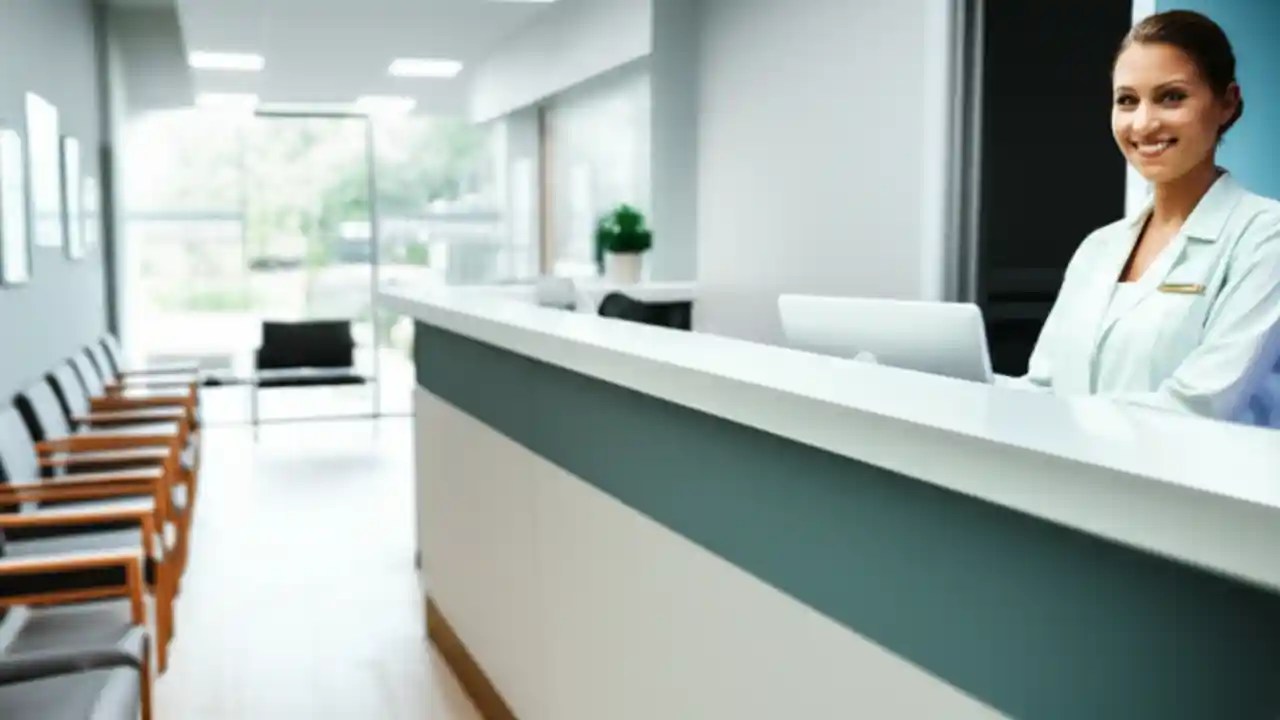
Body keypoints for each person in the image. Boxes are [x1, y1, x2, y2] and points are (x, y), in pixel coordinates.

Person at [1008, 10, 1280, 428]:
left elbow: (1200, 406)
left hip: (1200, 489)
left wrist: (1071, 428)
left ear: (1226, 103)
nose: (1143, 123)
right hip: (1077, 485)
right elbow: (1043, 388)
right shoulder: (1098, 248)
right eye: (1127, 100)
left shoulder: (1265, 236)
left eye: (1171, 97)